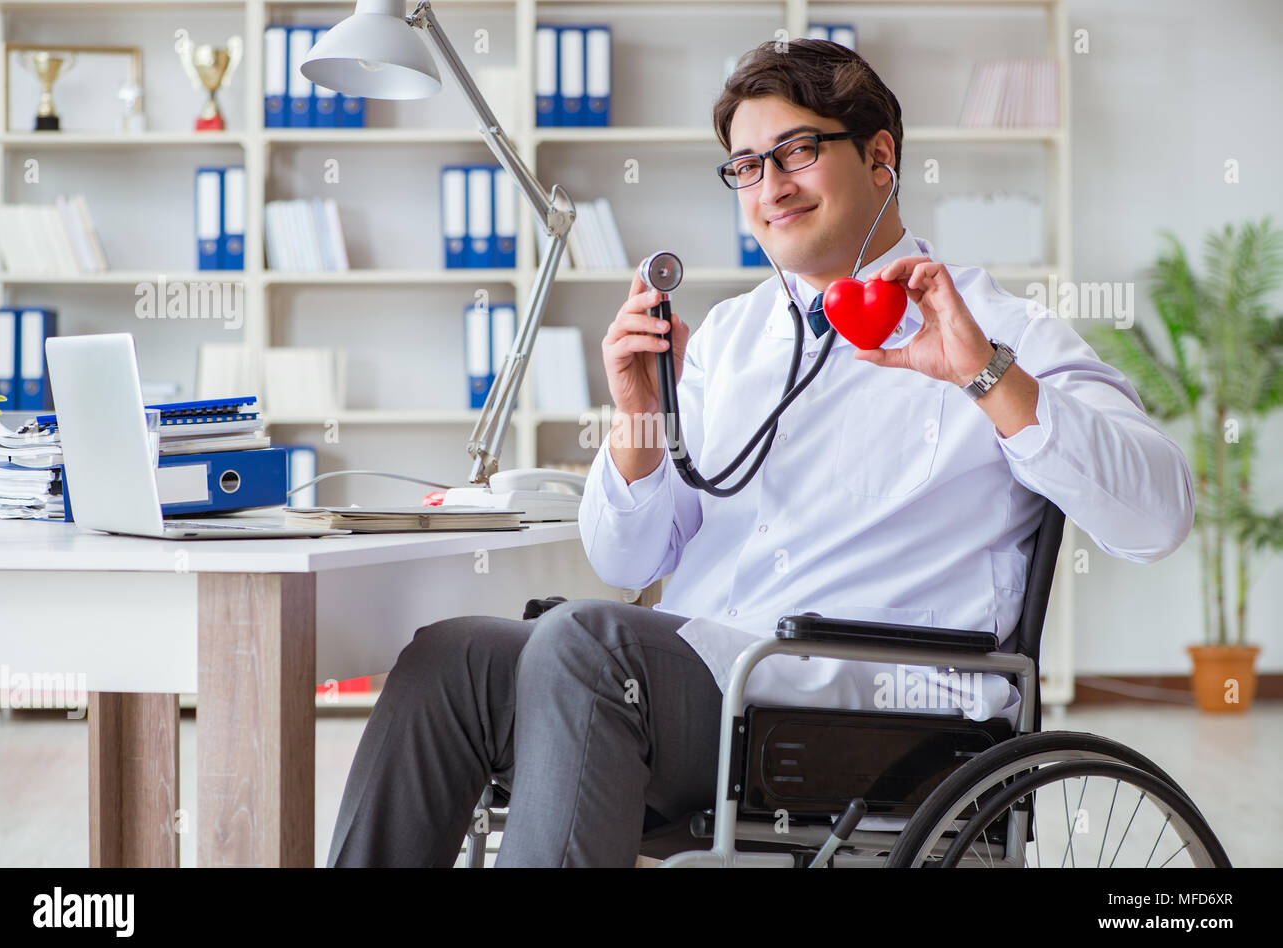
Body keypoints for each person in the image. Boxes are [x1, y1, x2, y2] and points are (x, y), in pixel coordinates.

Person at [327, 39, 1195, 868]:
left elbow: (1157, 516)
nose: (769, 186)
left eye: (797, 152)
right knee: (451, 660)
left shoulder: (1002, 330)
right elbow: (625, 555)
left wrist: (987, 376)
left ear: (880, 155)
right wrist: (637, 417)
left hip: (866, 714)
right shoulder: (728, 338)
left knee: (586, 644)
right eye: (746, 166)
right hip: (705, 686)